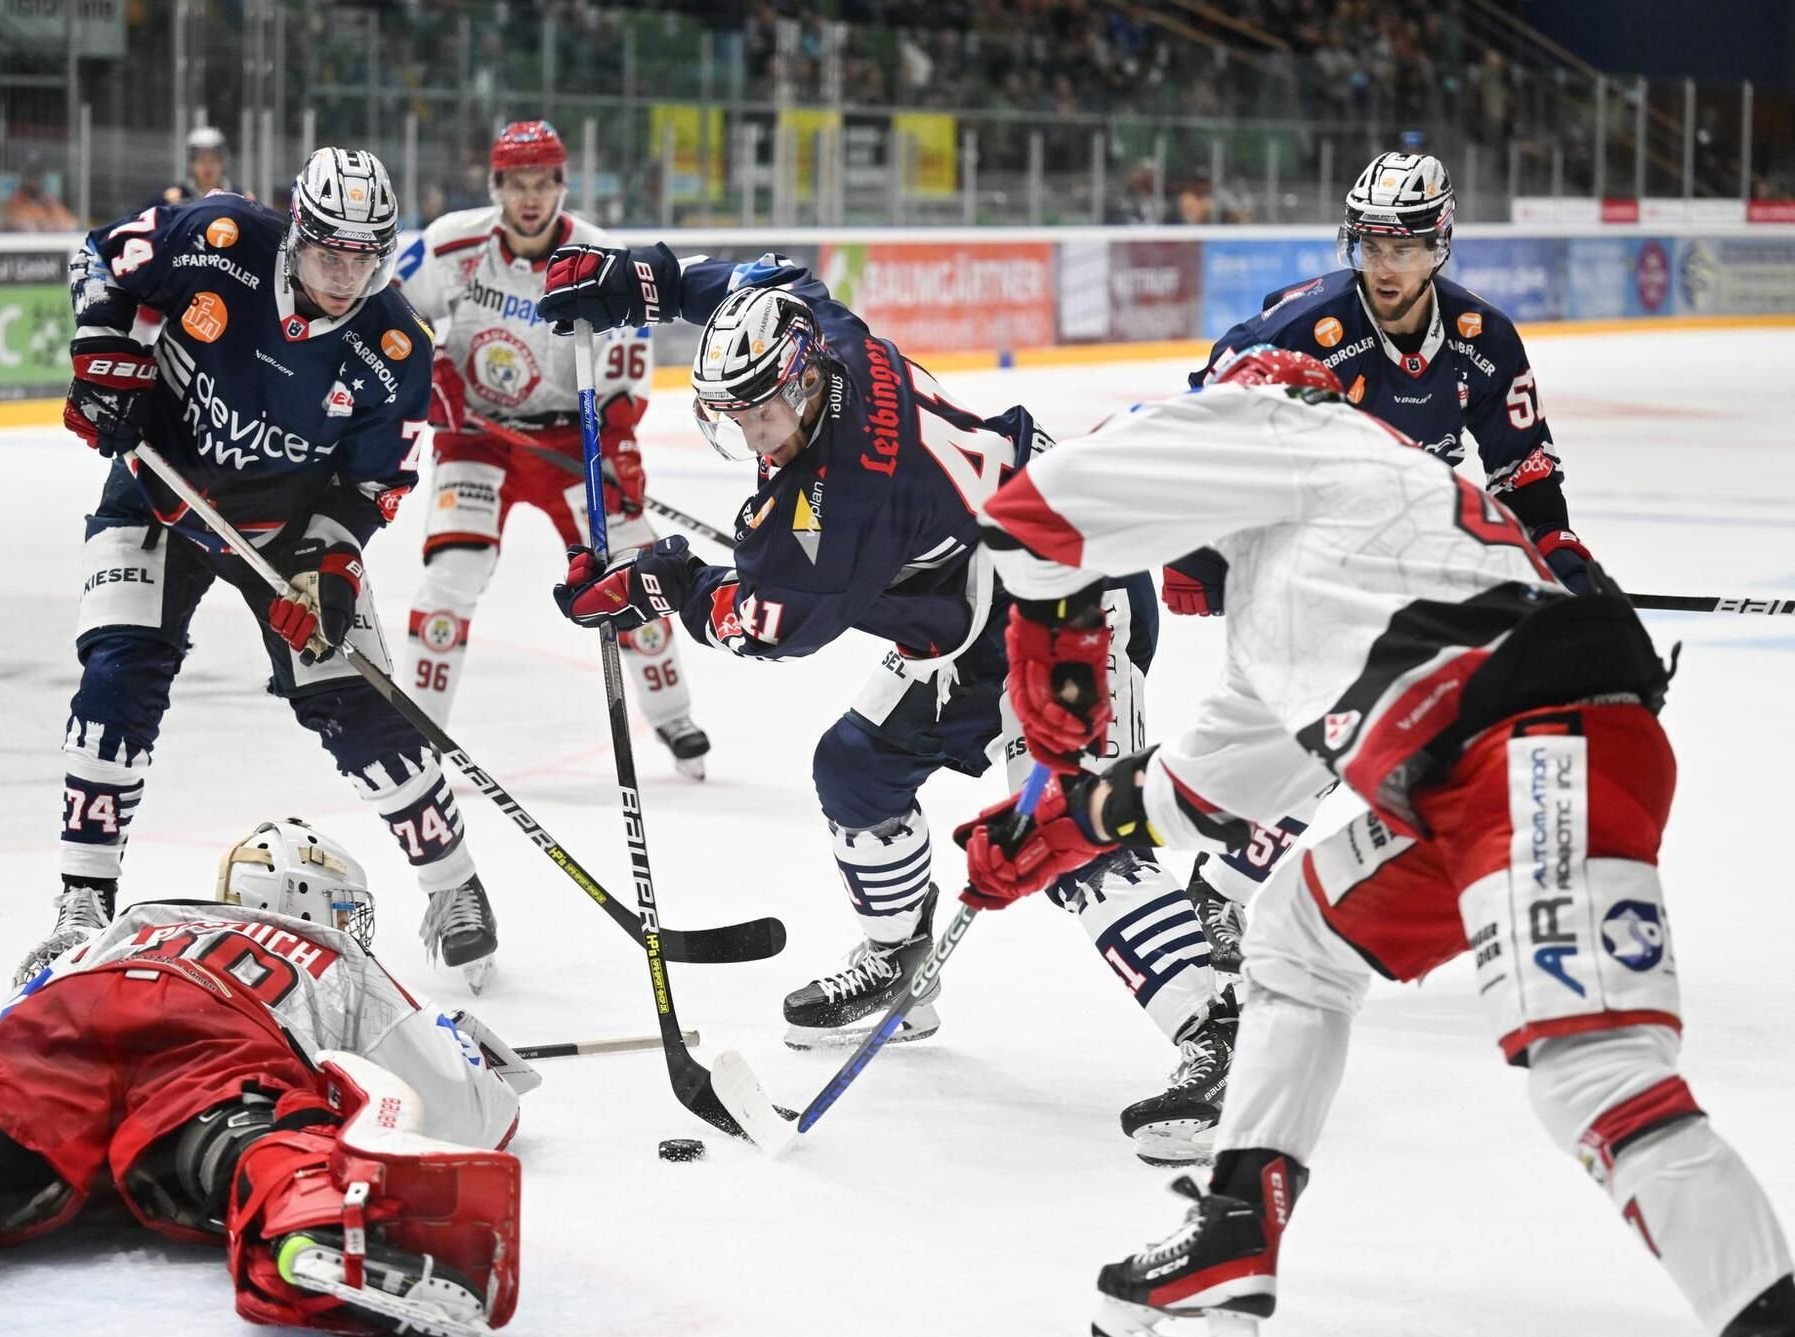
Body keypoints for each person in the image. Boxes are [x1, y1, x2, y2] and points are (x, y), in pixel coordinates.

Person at [952, 346, 1795, 1337]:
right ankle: (1231, 1228)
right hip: (1471, 782)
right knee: (1292, 937)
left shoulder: (1287, 426)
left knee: (1592, 1072)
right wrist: (1051, 828)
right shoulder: (1305, 573)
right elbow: (1205, 791)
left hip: (1537, 756)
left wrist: (1050, 644)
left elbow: (1030, 509)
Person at [538, 244, 1235, 1158]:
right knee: (856, 767)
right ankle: (901, 967)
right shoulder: (822, 331)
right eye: (737, 414)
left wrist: (663, 582)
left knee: (1068, 831)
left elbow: (771, 622)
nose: (757, 433)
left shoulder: (844, 505)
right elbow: (751, 276)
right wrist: (644, 280)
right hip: (975, 597)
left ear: (805, 380)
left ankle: (1215, 1028)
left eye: (770, 409)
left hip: (1069, 597)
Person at [27, 147, 502, 993]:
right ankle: (82, 900)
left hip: (285, 531)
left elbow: (373, 485)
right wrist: (105, 353)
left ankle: (453, 884)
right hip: (157, 489)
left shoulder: (395, 348)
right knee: (118, 674)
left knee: (357, 699)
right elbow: (98, 257)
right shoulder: (220, 236)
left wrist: (326, 571)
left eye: (366, 256)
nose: (345, 275)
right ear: (296, 233)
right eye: (329, 252)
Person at [0, 819, 530, 1335]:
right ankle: (312, 1221)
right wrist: (468, 1047)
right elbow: (471, 1111)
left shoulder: (136, 919)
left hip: (69, 1017)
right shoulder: (329, 949)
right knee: (252, 1130)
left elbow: (20, 1009)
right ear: (308, 898)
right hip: (212, 1035)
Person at [1166, 150, 1599, 977]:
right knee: (1329, 735)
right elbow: (1204, 420)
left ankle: (1222, 885)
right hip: (1294, 553)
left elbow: (1525, 474)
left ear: (1439, 245)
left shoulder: (1483, 342)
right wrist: (1198, 547)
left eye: (1401, 246)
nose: (1383, 264)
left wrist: (1562, 565)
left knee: (1366, 738)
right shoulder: (1306, 331)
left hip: (1404, 552)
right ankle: (1209, 876)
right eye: (1368, 244)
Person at [391, 120, 711, 778]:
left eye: (543, 183)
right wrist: (428, 372)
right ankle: (417, 730)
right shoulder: (452, 243)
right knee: (453, 572)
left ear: (563, 185)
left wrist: (618, 452)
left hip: (575, 440)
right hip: (477, 434)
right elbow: (393, 313)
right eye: (516, 185)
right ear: (496, 186)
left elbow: (624, 377)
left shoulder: (601, 257)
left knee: (632, 567)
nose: (530, 198)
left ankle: (673, 712)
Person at [147, 125, 235, 208]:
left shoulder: (239, 198)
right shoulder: (169, 199)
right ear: (191, 164)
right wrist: (168, 208)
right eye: (201, 160)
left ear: (223, 162)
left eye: (213, 160)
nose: (208, 166)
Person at [4, 156, 78, 232]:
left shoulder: (49, 200)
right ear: (24, 178)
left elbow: (71, 224)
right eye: (31, 175)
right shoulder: (17, 200)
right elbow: (23, 224)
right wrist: (45, 221)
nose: (34, 180)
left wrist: (50, 219)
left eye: (38, 175)